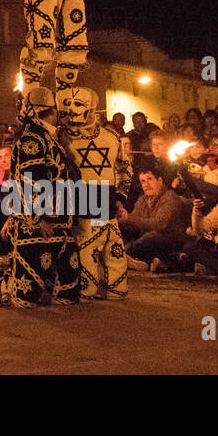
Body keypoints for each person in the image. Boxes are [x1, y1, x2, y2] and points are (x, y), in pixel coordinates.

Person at [0, 86, 81, 307]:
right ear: (50, 111)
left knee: (69, 293)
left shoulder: (51, 137)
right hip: (35, 223)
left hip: (60, 221)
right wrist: (38, 219)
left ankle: (28, 278)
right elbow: (28, 182)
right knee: (25, 297)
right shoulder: (31, 140)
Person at [57, 87, 130, 299]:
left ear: (91, 109)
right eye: (68, 105)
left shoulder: (111, 137)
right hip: (83, 197)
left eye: (78, 104)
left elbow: (124, 169)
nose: (71, 110)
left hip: (105, 198)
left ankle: (116, 288)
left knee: (112, 244)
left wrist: (119, 198)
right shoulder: (62, 137)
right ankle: (87, 289)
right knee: (87, 243)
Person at [119, 170, 187, 269]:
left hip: (171, 240)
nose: (146, 184)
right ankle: (140, 262)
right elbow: (134, 223)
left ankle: (122, 255)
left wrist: (130, 218)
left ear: (159, 181)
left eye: (149, 179)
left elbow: (159, 224)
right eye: (143, 181)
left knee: (150, 237)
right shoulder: (142, 199)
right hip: (146, 239)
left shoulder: (169, 197)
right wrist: (122, 219)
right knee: (121, 232)